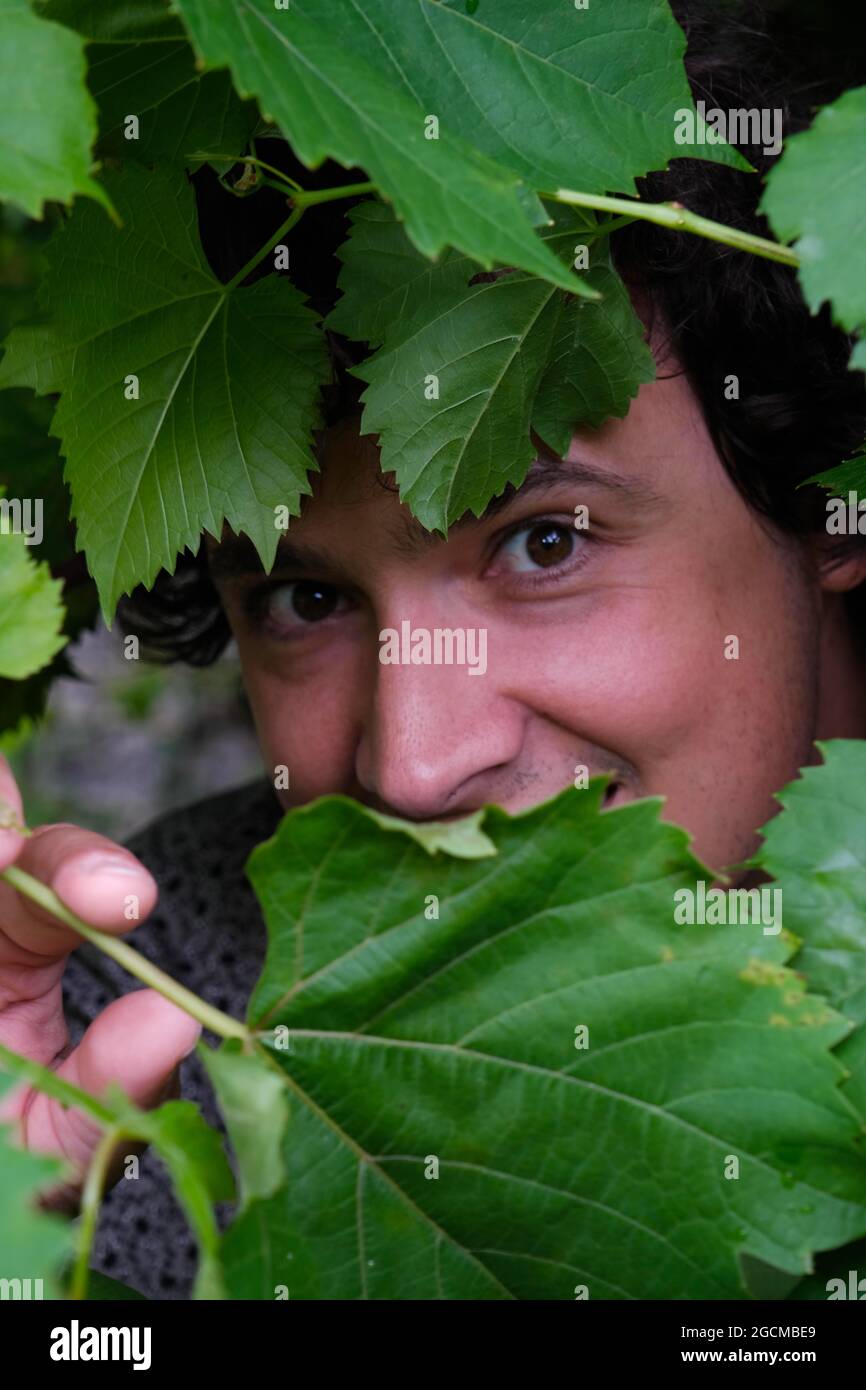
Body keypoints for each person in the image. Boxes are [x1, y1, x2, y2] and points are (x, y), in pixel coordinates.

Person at [1, 0, 865, 1299]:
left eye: (544, 543)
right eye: (302, 599)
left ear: (821, 494)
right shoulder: (134, 1036)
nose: (412, 763)